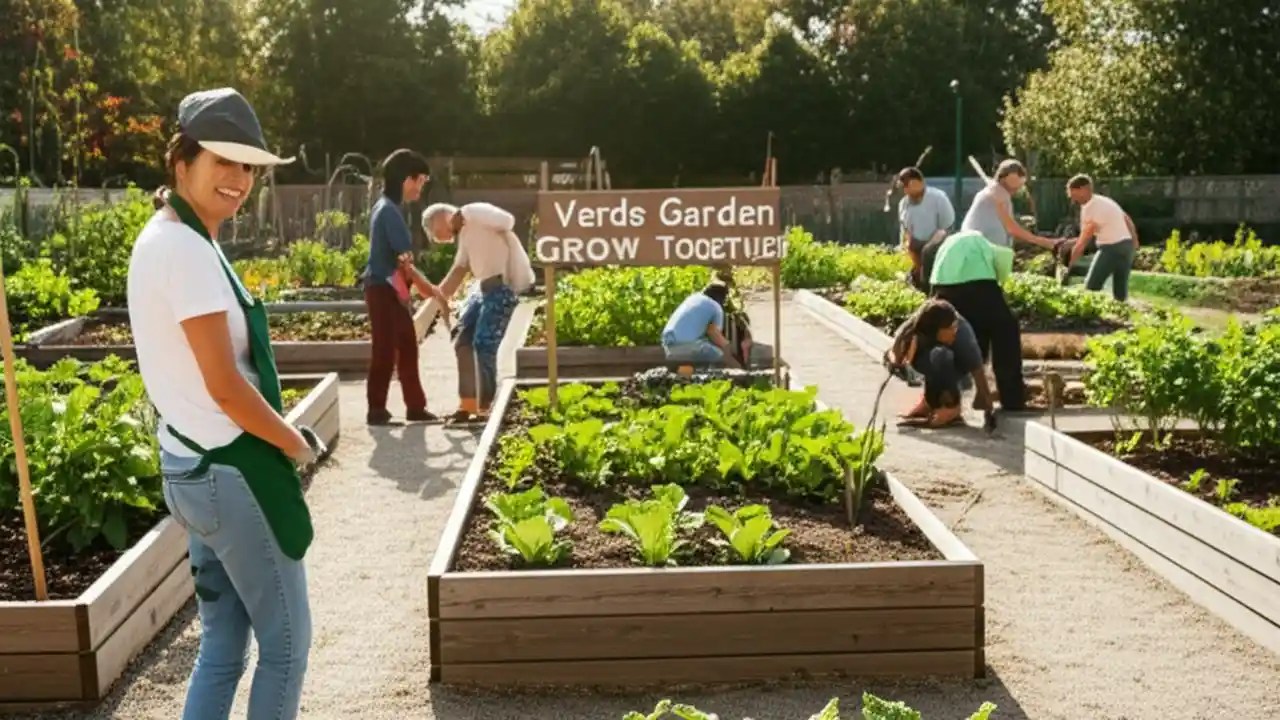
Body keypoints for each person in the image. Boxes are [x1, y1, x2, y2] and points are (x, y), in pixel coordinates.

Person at [126, 87, 317, 720]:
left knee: (223, 647)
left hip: (190, 466)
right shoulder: (184, 250)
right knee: (286, 648)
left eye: (248, 167)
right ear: (181, 162)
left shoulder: (172, 236)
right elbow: (227, 386)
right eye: (222, 162)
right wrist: (295, 440)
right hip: (231, 470)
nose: (238, 180)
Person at [422, 201, 535, 425]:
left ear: (441, 219)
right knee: (462, 341)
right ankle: (467, 405)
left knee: (484, 345)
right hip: (482, 288)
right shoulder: (464, 233)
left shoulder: (473, 213)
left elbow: (508, 221)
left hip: (502, 287)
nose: (439, 239)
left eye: (436, 232)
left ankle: (486, 408)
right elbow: (459, 269)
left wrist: (467, 213)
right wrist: (437, 296)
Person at [362, 149, 449, 426]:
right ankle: (377, 410)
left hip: (388, 289)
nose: (421, 187)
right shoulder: (389, 211)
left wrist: (423, 286)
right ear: (406, 179)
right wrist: (428, 288)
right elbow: (404, 261)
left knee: (406, 346)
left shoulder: (387, 208)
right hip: (382, 288)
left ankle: (414, 407)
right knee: (386, 349)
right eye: (421, 180)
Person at [916, 229, 1027, 411]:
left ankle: (938, 398)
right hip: (980, 284)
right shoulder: (988, 253)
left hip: (942, 285)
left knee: (946, 336)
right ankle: (1012, 397)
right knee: (1005, 329)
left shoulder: (955, 246)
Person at [887, 299, 994, 428]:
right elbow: (895, 349)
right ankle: (929, 403)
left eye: (955, 327)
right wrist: (899, 363)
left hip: (958, 371)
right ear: (935, 328)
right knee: (934, 355)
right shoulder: (919, 325)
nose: (954, 331)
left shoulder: (962, 334)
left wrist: (983, 397)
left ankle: (951, 407)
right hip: (928, 361)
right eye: (950, 328)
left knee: (941, 354)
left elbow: (977, 368)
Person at [961, 159, 1059, 253]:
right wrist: (1045, 242)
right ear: (1003, 179)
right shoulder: (999, 193)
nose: (1015, 191)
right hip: (980, 252)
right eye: (1014, 188)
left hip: (980, 250)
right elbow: (1011, 229)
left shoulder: (993, 193)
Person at [1065, 174, 1138, 301]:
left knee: (1091, 287)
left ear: (1084, 189)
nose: (1073, 199)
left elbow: (1083, 242)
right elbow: (1126, 218)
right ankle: (1122, 316)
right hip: (1127, 246)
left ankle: (1088, 317)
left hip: (1111, 248)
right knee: (1120, 293)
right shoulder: (1105, 201)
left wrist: (1070, 266)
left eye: (1074, 194)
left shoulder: (1090, 209)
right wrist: (1135, 241)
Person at [660, 281, 743, 369]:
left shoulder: (693, 298)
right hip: (688, 345)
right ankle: (740, 376)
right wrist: (727, 347)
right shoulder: (715, 306)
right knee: (719, 357)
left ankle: (687, 375)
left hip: (668, 346)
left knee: (698, 355)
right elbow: (713, 333)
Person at [897, 166, 956, 285]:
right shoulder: (904, 204)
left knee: (927, 252)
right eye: (904, 187)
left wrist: (929, 247)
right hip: (917, 244)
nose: (906, 191)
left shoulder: (939, 198)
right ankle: (918, 278)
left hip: (939, 240)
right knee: (912, 249)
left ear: (917, 183)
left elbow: (946, 228)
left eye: (907, 186)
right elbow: (906, 232)